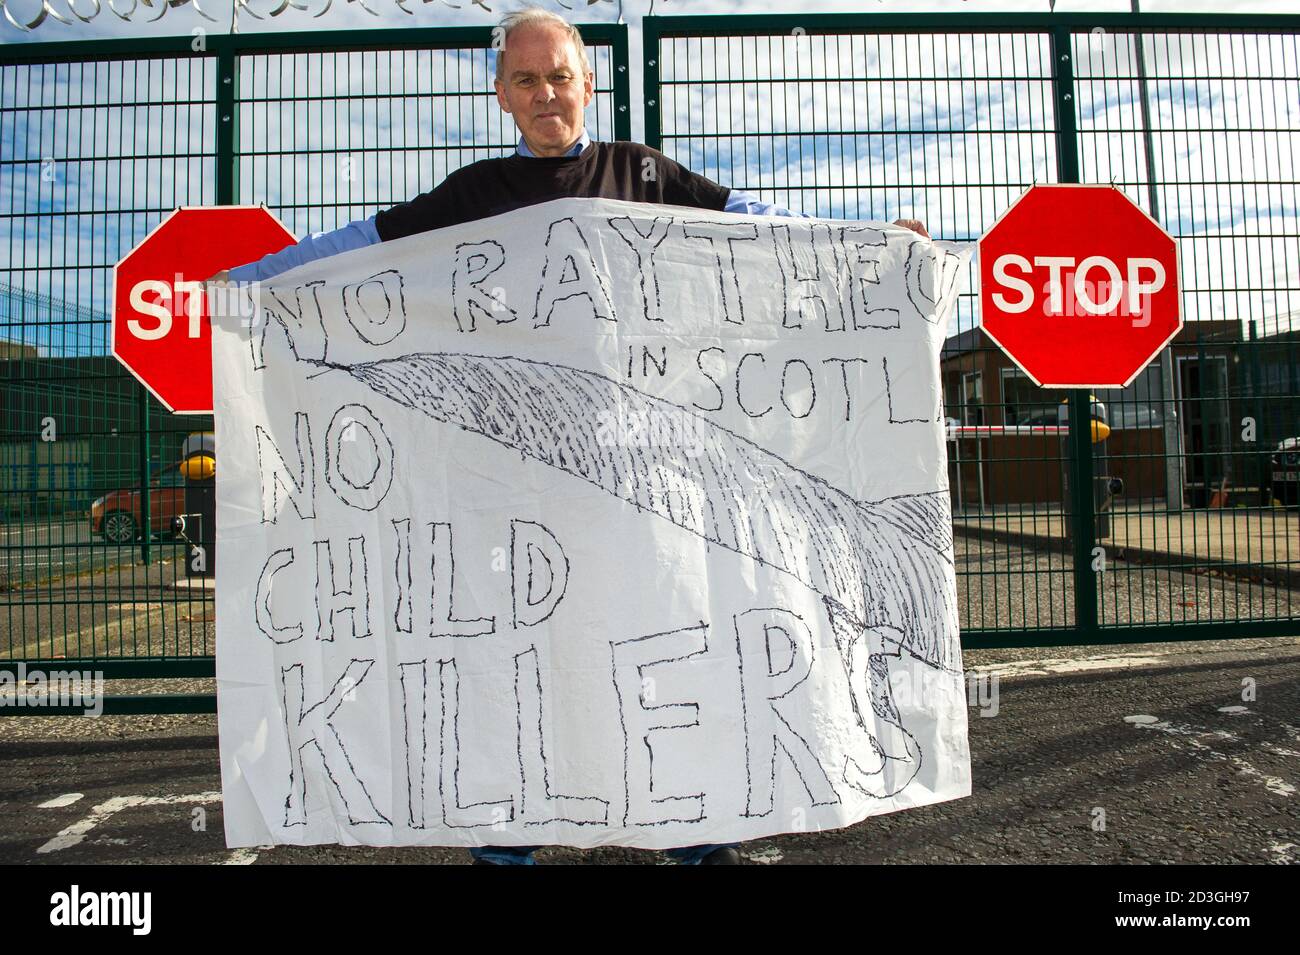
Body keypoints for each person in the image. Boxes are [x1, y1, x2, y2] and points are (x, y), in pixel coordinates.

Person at [213, 6, 928, 865]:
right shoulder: (472, 198)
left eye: (560, 76)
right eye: (526, 80)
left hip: (644, 489)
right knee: (524, 666)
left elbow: (756, 226)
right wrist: (246, 282)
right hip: (519, 498)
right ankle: (510, 841)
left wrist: (871, 246)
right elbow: (362, 247)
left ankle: (693, 834)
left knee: (669, 645)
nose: (547, 93)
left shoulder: (646, 176)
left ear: (588, 84)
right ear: (503, 96)